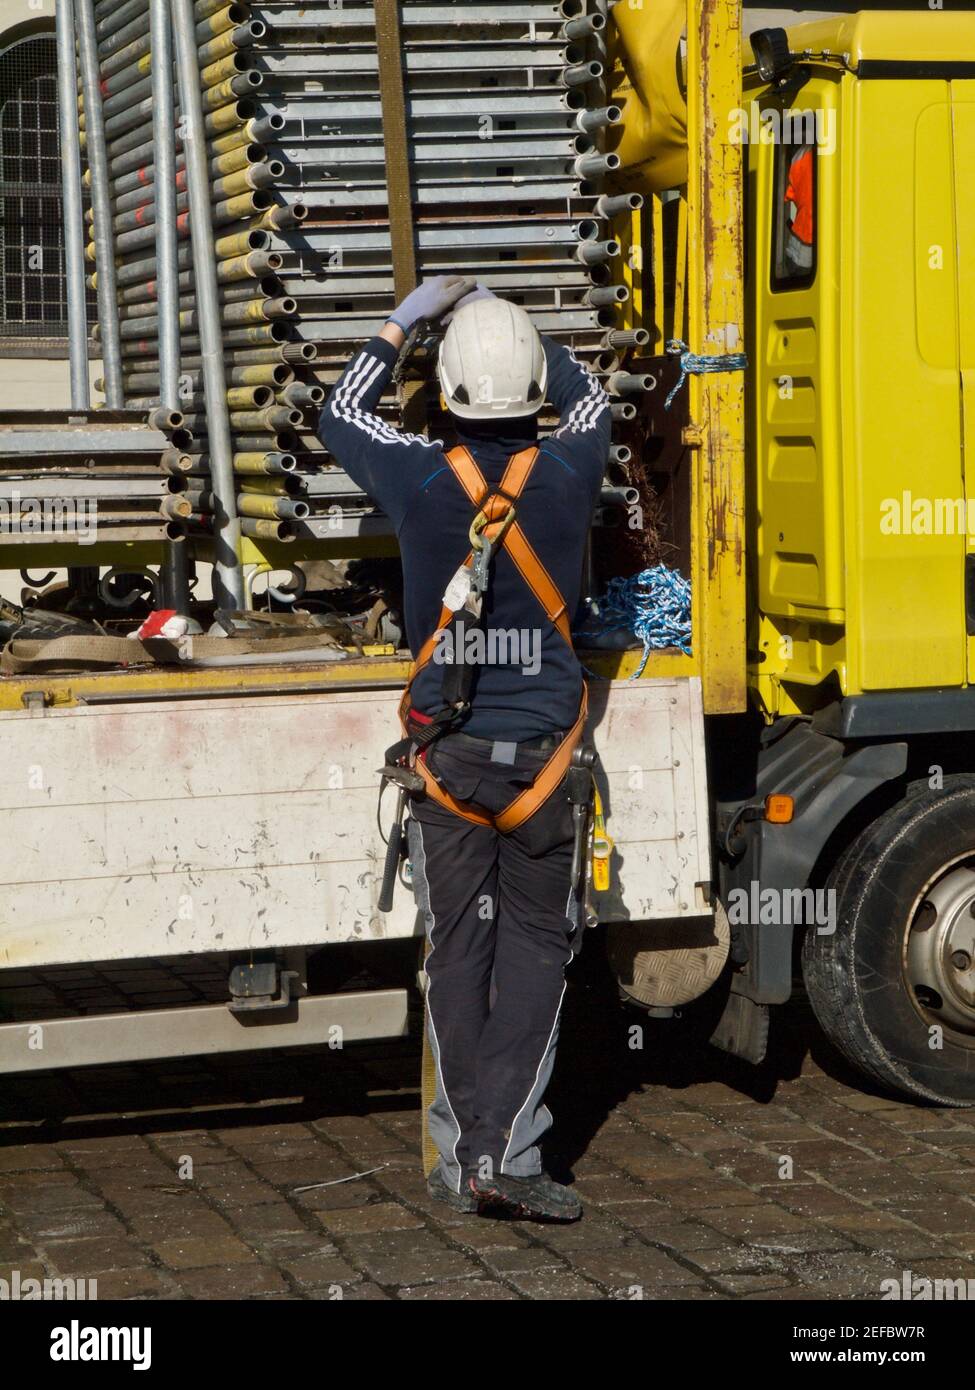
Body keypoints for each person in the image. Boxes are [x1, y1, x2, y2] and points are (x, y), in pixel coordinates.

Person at [318, 276, 611, 1221]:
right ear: (535, 394)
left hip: (447, 763)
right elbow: (591, 399)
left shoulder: (414, 476)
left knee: (454, 953)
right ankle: (506, 1155)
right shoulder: (571, 466)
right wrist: (523, 322)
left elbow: (338, 409)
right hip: (544, 768)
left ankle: (459, 1159)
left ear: (441, 392)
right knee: (533, 951)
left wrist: (407, 319)